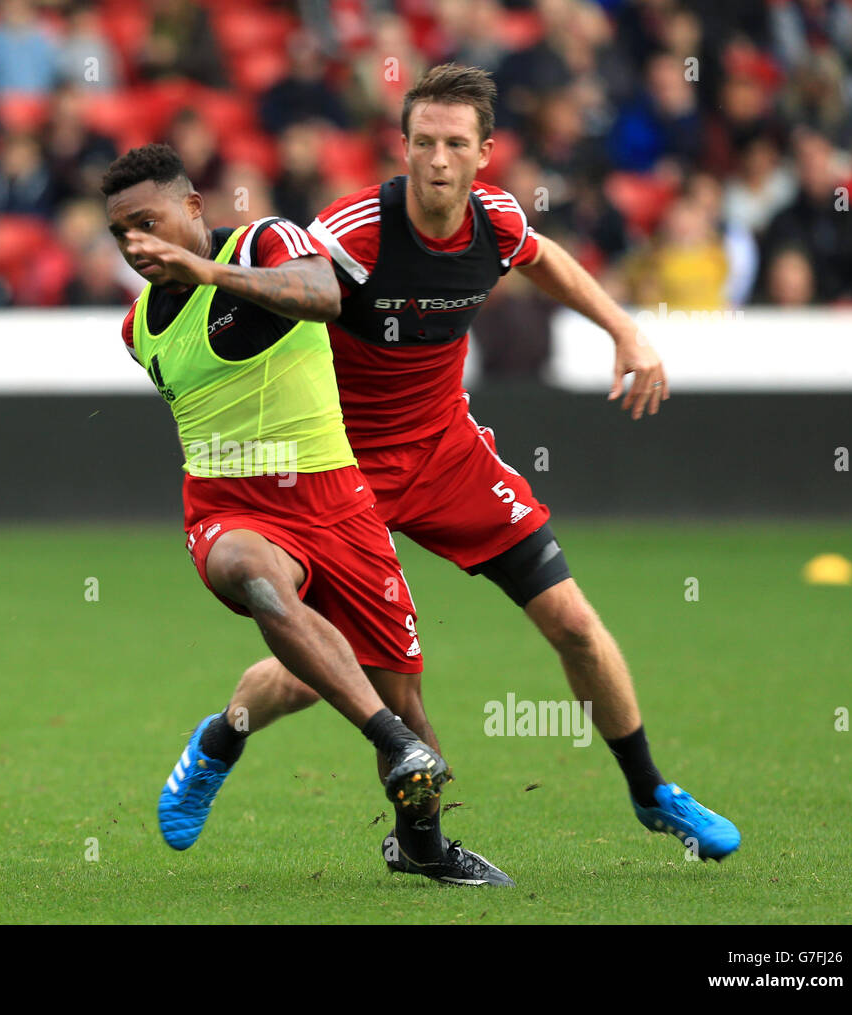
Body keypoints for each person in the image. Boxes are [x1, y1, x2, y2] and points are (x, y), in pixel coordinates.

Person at [218, 64, 742, 874]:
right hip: (342, 467)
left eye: (454, 144)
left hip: (447, 453)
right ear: (402, 146)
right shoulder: (353, 231)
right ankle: (221, 740)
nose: (436, 158)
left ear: (484, 154)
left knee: (572, 620)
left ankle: (652, 791)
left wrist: (625, 330)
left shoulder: (495, 223)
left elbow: (547, 259)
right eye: (422, 142)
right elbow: (289, 286)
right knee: (325, 674)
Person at [102, 143, 513, 885]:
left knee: (411, 706)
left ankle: (412, 839)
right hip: (228, 505)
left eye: (148, 222)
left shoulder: (264, 241)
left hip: (337, 501)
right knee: (255, 578)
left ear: (193, 209)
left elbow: (323, 295)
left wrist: (207, 271)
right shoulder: (140, 331)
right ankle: (388, 740)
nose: (137, 243)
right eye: (122, 233)